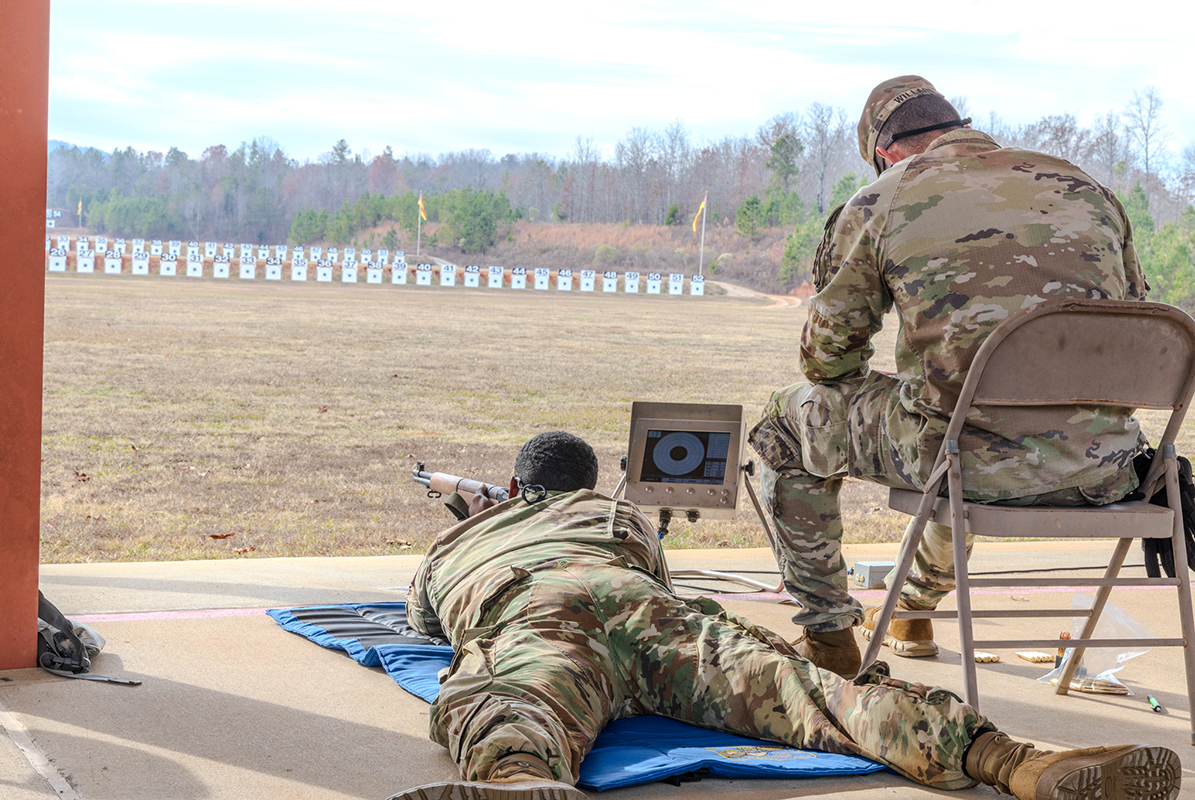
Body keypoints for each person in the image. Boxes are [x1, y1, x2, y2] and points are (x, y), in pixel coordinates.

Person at [392, 431, 1179, 800]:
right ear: (588, 481)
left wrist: (470, 523)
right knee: (813, 694)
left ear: (517, 485)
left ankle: (522, 780)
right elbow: (649, 570)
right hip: (648, 607)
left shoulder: (468, 536)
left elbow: (425, 621)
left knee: (509, 700)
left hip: (536, 610)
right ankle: (1014, 762)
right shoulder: (616, 518)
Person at [749, 75, 1149, 678]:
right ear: (959, 125)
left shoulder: (882, 200)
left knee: (790, 420)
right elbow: (1137, 321)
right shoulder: (1085, 188)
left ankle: (830, 638)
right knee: (966, 426)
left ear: (884, 152)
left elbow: (827, 362)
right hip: (1106, 467)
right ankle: (912, 609)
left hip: (965, 460)